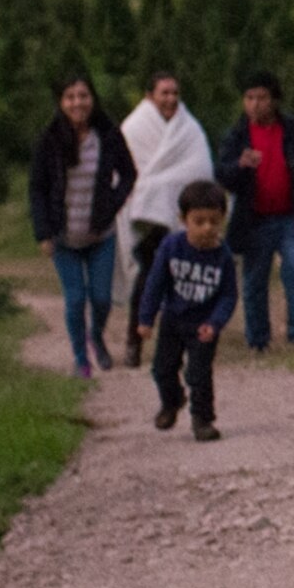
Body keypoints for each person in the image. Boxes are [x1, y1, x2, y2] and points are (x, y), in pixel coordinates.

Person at [26, 74, 137, 380]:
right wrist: (43, 232)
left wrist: (112, 203)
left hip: (101, 233)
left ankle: (96, 335)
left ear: (93, 99)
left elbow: (128, 173)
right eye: (71, 97)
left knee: (101, 298)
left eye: (83, 96)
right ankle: (80, 360)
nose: (78, 103)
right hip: (64, 236)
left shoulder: (108, 135)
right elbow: (37, 188)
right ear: (61, 103)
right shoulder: (49, 140)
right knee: (75, 299)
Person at [213, 72, 294, 352]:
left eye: (262, 97)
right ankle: (257, 339)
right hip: (254, 218)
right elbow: (222, 176)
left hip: (291, 215)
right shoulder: (237, 136)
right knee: (255, 279)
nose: (256, 104)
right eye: (250, 98)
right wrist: (239, 166)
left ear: (274, 99)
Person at [117, 70, 213, 368]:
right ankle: (134, 342)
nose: (171, 99)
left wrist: (161, 186)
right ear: (150, 96)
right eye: (164, 93)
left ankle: (184, 345)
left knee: (185, 281)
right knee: (149, 280)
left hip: (184, 218)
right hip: (148, 221)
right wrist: (151, 191)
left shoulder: (189, 129)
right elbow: (127, 172)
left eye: (174, 93)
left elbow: (199, 168)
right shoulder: (133, 128)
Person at [133, 179, 239, 443]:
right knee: (162, 369)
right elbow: (155, 284)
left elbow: (228, 295)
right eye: (199, 221)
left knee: (199, 374)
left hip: (204, 325)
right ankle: (172, 402)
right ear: (183, 220)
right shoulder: (171, 247)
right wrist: (146, 318)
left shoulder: (223, 255)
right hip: (173, 320)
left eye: (214, 221)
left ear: (223, 219)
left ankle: (203, 420)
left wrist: (215, 323)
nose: (207, 228)